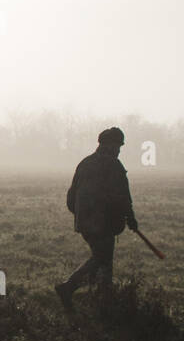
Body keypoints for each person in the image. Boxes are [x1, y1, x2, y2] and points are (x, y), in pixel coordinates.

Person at [56, 127, 138, 311]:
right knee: (102, 259)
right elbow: (123, 197)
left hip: (84, 224)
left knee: (103, 261)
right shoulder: (114, 166)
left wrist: (81, 216)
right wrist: (130, 219)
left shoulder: (84, 163)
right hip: (104, 223)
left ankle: (102, 299)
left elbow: (71, 198)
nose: (118, 151)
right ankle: (69, 288)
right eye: (117, 146)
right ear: (109, 145)